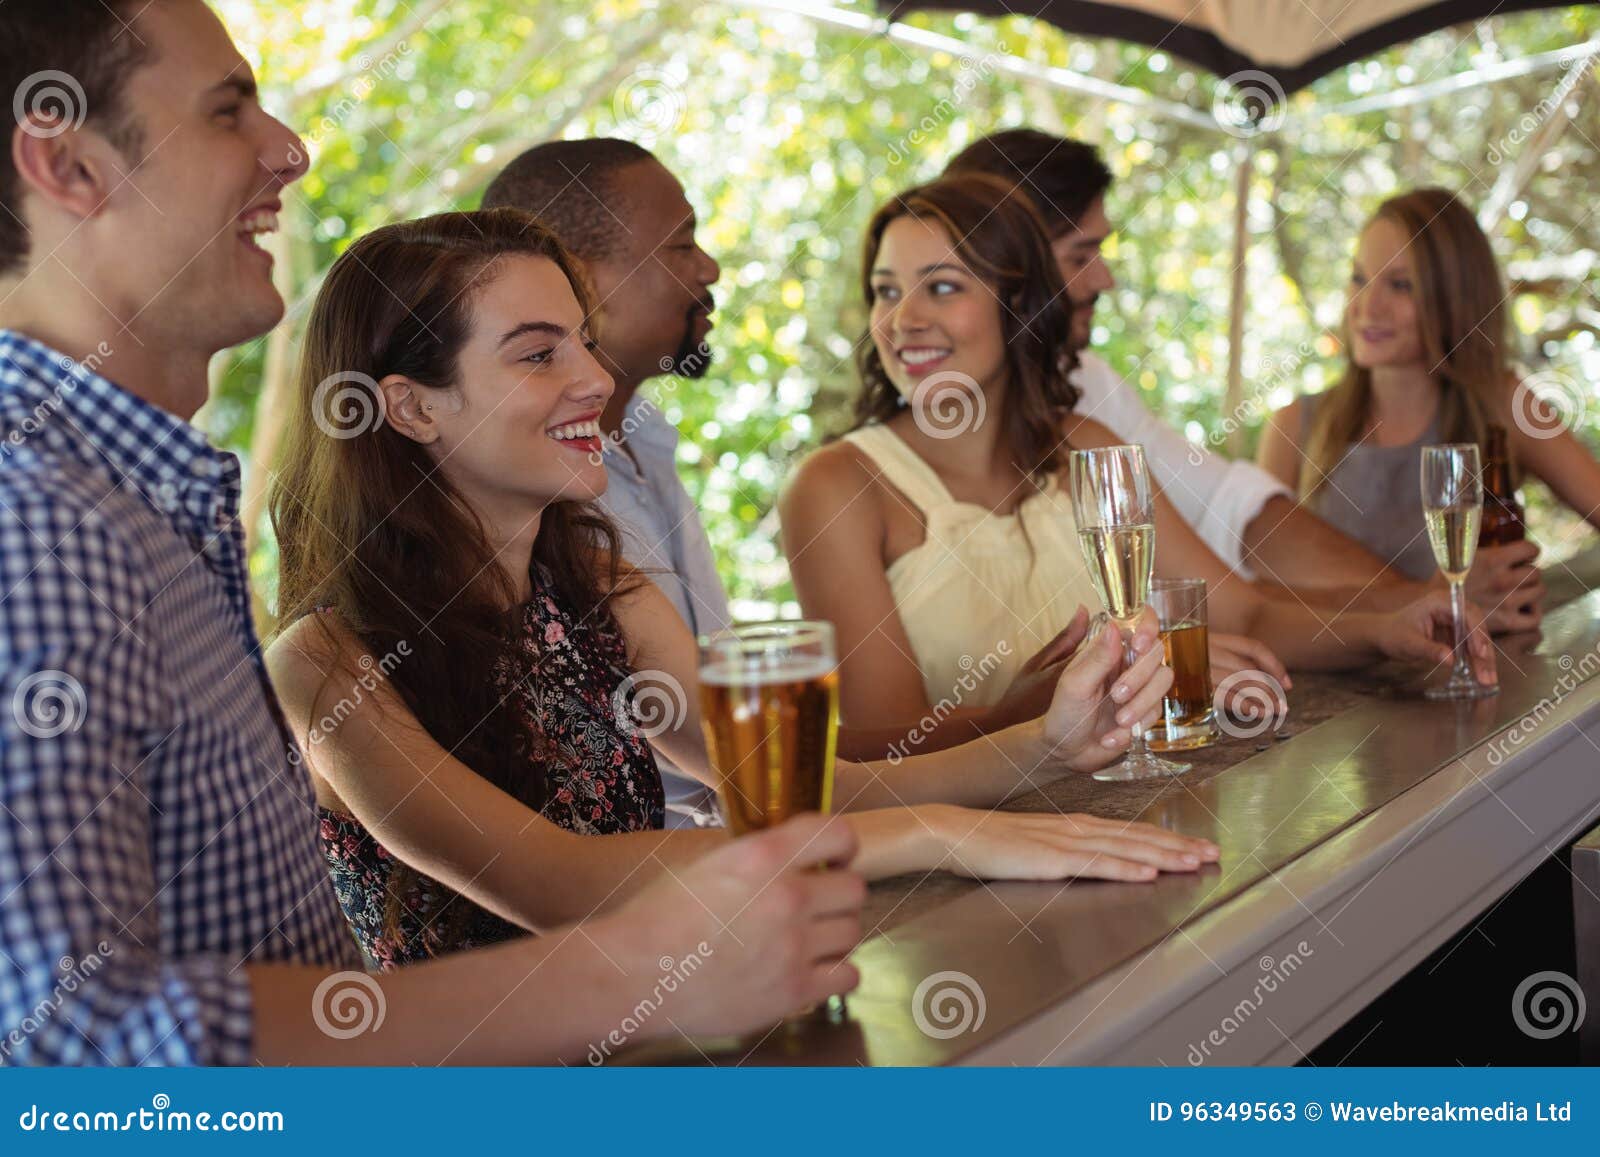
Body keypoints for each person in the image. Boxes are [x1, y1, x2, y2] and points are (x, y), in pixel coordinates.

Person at [0, 0, 873, 1065]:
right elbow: (69, 1050)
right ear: (68, 164)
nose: (291, 149)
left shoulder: (136, 498)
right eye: (228, 111)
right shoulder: (35, 516)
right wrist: (637, 972)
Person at [264, 207, 1220, 967]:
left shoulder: (600, 590)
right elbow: (561, 885)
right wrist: (939, 834)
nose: (594, 377)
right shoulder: (324, 663)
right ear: (410, 406)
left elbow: (807, 791)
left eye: (585, 342)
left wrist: (1046, 744)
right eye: (539, 352)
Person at [481, 139, 1110, 812]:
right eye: (682, 244)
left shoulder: (648, 449)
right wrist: (1023, 722)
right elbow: (767, 771)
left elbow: (763, 765)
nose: (710, 266)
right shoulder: (539, 509)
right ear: (581, 276)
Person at [779, 174, 1495, 732]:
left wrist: (1384, 630)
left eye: (941, 287)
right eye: (885, 292)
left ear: (1018, 305)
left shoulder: (1086, 447)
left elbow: (1241, 614)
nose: (901, 319)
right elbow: (880, 745)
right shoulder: (836, 487)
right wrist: (1051, 704)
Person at [944, 129, 1543, 634]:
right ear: (1006, 263)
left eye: (1401, 285)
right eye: (1080, 256)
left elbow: (1233, 510)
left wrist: (1425, 601)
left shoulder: (1088, 389)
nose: (1106, 280)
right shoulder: (918, 444)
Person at [1258, 186, 1600, 580]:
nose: (1368, 306)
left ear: (1455, 297)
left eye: (1401, 285)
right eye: (1359, 278)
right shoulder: (1293, 427)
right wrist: (1422, 601)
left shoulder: (1501, 403)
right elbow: (1258, 596)